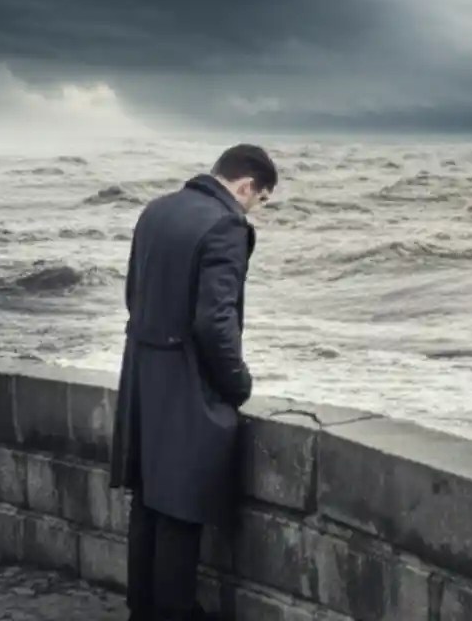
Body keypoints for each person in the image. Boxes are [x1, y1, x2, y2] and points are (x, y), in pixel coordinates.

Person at [109, 144, 277, 621]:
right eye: (259, 200)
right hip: (186, 382)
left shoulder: (156, 211)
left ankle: (142, 608)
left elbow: (132, 296)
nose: (253, 209)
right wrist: (238, 385)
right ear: (246, 186)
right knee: (181, 508)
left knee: (148, 501)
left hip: (143, 374)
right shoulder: (225, 225)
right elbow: (215, 322)